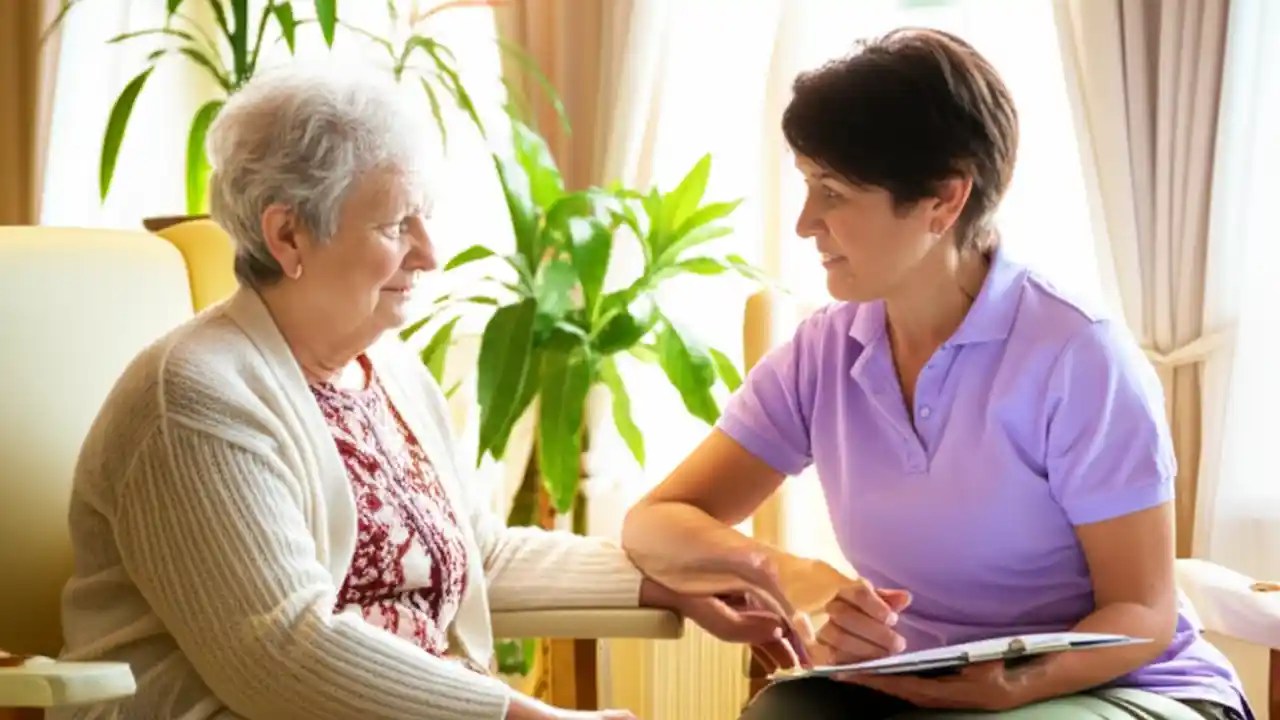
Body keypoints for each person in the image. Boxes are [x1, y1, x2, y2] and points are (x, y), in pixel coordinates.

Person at [53, 63, 786, 720]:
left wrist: (665, 580)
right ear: (288, 237)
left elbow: (478, 555)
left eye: (423, 216)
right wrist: (524, 719)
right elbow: (282, 657)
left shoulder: (390, 367)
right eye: (395, 223)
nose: (430, 252)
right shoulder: (194, 399)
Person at [621, 28, 1250, 720]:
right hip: (924, 686)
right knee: (779, 715)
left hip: (1120, 687)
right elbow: (656, 521)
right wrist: (787, 574)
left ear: (944, 201)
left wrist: (1017, 682)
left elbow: (1143, 612)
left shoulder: (1076, 354)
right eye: (806, 184)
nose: (806, 222)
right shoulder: (823, 353)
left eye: (832, 191)